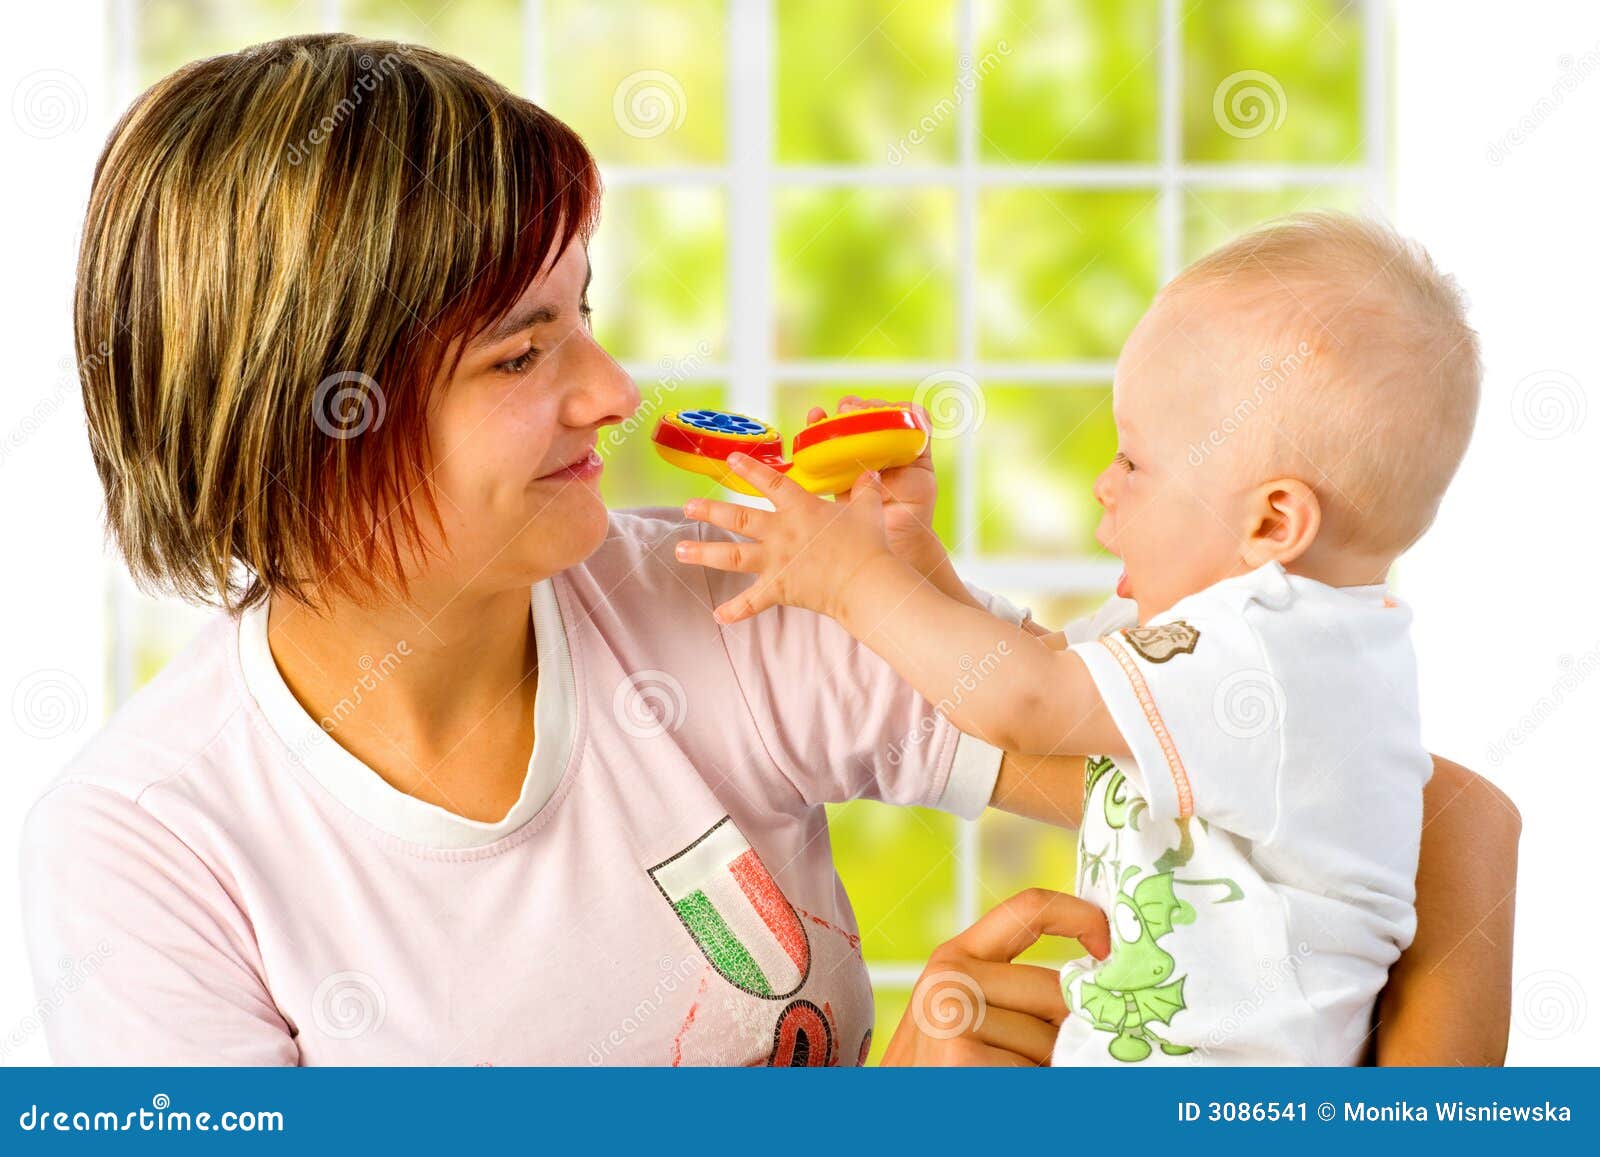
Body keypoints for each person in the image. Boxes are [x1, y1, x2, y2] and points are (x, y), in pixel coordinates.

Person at [21, 33, 1516, 1066]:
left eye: (585, 315)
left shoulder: (731, 595)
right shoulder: (151, 850)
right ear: (311, 426)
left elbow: (1441, 830)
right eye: (517, 355)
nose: (612, 394)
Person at [676, 213, 1494, 1064]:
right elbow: (1035, 668)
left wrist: (851, 581)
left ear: (1273, 519)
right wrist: (913, 568)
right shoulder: (1251, 642)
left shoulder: (1271, 654)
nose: (1105, 485)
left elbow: (1026, 703)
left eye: (1135, 463)